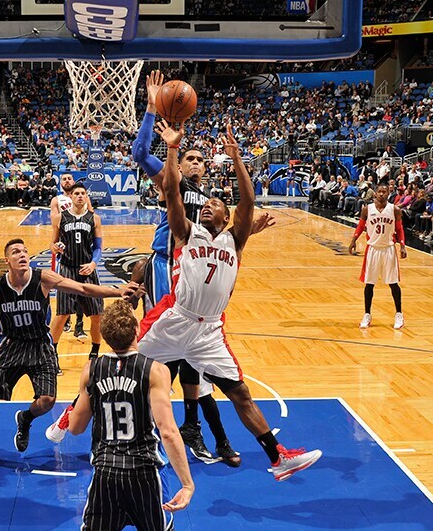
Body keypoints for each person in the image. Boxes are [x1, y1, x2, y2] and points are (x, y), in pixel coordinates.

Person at [140, 120, 322, 482]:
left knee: (240, 393)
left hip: (210, 331)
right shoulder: (185, 232)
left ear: (227, 217)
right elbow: (173, 193)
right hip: (176, 319)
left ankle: (278, 457)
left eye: (216, 204)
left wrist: (238, 158)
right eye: (205, 204)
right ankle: (78, 422)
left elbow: (249, 201)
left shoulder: (234, 241)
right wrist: (172, 149)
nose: (208, 206)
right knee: (122, 368)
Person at [0, 238, 139, 471]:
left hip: (40, 344)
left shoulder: (43, 279)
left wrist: (118, 291)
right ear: (7, 260)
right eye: (16, 252)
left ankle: (25, 418)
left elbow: (82, 288)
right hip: (10, 346)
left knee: (47, 401)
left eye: (25, 251)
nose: (22, 254)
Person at [129, 70, 238, 466]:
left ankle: (189, 424)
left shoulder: (211, 204)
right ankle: (144, 422)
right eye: (188, 156)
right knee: (162, 350)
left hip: (195, 278)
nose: (194, 162)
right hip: (165, 267)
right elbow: (141, 153)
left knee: (192, 350)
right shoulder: (172, 180)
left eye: (199, 159)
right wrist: (150, 106)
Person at [64, 301, 194, 531]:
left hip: (105, 470)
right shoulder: (155, 370)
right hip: (143, 472)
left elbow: (76, 429)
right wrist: (187, 482)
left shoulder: (91, 370)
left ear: (105, 336)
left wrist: (81, 400)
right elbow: (167, 430)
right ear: (137, 331)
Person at [50, 183, 104, 368]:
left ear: (86, 196)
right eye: (76, 194)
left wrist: (93, 264)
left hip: (87, 269)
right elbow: (52, 243)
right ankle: (52, 353)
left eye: (83, 193)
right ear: (71, 197)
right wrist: (55, 248)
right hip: (66, 269)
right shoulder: (60, 218)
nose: (80, 196)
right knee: (62, 314)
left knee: (97, 315)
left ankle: (95, 353)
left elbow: (98, 248)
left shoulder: (94, 218)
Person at [348, 183, 407, 329]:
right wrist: (353, 240)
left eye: (384, 192)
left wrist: (403, 246)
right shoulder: (367, 209)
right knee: (369, 284)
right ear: (375, 193)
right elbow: (361, 226)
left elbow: (399, 229)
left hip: (389, 249)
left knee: (393, 283)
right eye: (379, 192)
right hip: (372, 249)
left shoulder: (395, 210)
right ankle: (367, 314)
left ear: (388, 193)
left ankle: (399, 314)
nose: (381, 194)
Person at [48, 173, 85, 339]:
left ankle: (79, 324)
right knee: (67, 288)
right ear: (60, 183)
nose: (67, 181)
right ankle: (67, 319)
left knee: (83, 290)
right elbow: (55, 222)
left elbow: (90, 217)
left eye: (70, 178)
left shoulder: (81, 196)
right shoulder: (57, 200)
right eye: (64, 179)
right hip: (65, 248)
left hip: (82, 247)